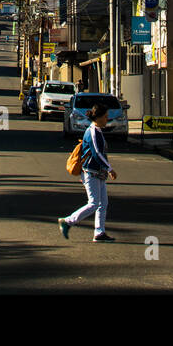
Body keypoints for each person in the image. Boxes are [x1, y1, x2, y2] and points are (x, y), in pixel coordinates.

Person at [59, 103, 117, 242]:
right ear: (98, 118)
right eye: (105, 117)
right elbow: (97, 153)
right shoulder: (92, 132)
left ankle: (99, 233)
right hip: (91, 172)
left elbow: (100, 153)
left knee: (103, 203)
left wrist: (105, 169)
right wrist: (109, 169)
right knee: (94, 203)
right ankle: (67, 222)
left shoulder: (97, 130)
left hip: (97, 172)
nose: (106, 120)